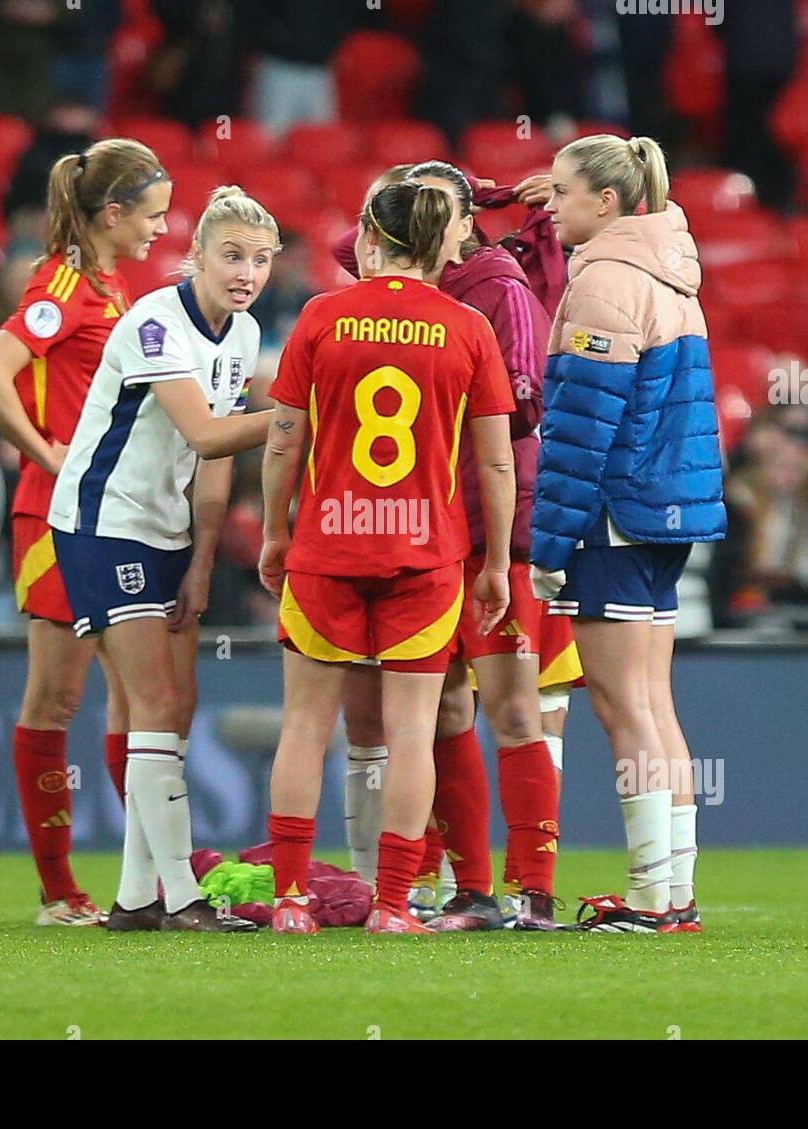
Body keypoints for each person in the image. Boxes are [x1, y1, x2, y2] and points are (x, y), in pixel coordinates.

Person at [260, 179, 518, 935]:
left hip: (327, 546)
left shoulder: (320, 315)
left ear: (371, 238)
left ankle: (289, 900)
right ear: (446, 241)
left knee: (306, 726)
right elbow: (497, 464)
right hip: (426, 554)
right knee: (413, 731)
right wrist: (497, 560)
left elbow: (282, 439)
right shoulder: (469, 327)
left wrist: (276, 529)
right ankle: (395, 904)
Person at [331, 161, 567, 932]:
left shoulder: (498, 289)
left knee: (511, 707)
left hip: (492, 523)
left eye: (444, 214)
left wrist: (468, 209)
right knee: (442, 715)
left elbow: (524, 407)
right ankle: (472, 892)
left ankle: (531, 889)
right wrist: (460, 196)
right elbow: (355, 243)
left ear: (467, 226)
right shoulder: (411, 289)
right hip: (425, 529)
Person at [48, 185, 280, 933]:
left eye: (262, 260)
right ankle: (180, 896)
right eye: (233, 255)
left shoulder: (241, 335)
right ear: (198, 256)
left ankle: (135, 896)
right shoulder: (155, 322)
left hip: (168, 531)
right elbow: (208, 433)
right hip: (103, 522)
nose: (246, 272)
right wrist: (308, 408)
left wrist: (204, 555)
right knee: (151, 700)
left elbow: (211, 462)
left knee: (175, 705)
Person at [530, 134, 726, 933]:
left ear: (605, 203)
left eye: (561, 194)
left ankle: (650, 900)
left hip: (611, 514)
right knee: (653, 701)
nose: (549, 207)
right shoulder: (672, 270)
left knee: (621, 706)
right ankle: (672, 894)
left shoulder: (607, 280)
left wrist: (548, 546)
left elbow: (582, 429)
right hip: (665, 510)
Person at [0, 137, 170, 926]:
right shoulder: (61, 282)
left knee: (135, 697)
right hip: (56, 517)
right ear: (112, 213)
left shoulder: (113, 284)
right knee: (58, 697)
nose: (161, 228)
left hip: (108, 513)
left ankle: (151, 876)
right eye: (151, 215)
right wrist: (48, 454)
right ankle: (60, 890)